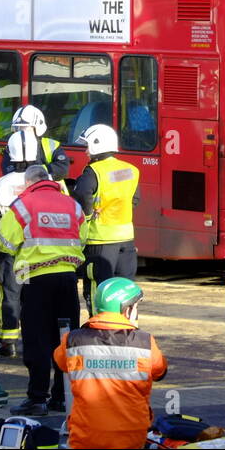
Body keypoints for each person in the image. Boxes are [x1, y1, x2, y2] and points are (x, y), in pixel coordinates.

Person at [0, 164, 87, 417]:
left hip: (36, 281)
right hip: (68, 281)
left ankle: (37, 399)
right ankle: (62, 396)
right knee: (66, 339)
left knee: (37, 341)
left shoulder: (23, 205)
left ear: (28, 183)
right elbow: (83, 237)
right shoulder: (72, 205)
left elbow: (6, 241)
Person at [53, 278, 168, 449]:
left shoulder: (73, 340)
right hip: (131, 436)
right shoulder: (144, 342)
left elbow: (60, 362)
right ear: (127, 310)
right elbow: (160, 371)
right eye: (136, 307)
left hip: (86, 435)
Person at [73, 124, 141, 313]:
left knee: (99, 290)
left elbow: (81, 195)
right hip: (126, 241)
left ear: (97, 145)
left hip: (100, 241)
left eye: (87, 146)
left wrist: (87, 216)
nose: (86, 151)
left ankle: (99, 332)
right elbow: (135, 199)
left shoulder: (93, 171)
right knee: (125, 292)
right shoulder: (131, 170)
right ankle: (126, 333)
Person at [0, 132, 33, 357]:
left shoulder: (2, 183)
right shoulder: (48, 180)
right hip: (38, 253)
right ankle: (34, 339)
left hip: (11, 253)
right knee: (33, 296)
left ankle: (8, 343)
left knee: (10, 295)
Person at [3, 104, 70, 183]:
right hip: (22, 191)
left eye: (25, 127)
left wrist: (36, 171)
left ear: (38, 127)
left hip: (50, 191)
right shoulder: (12, 146)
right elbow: (7, 169)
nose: (21, 131)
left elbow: (62, 169)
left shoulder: (53, 146)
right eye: (18, 128)